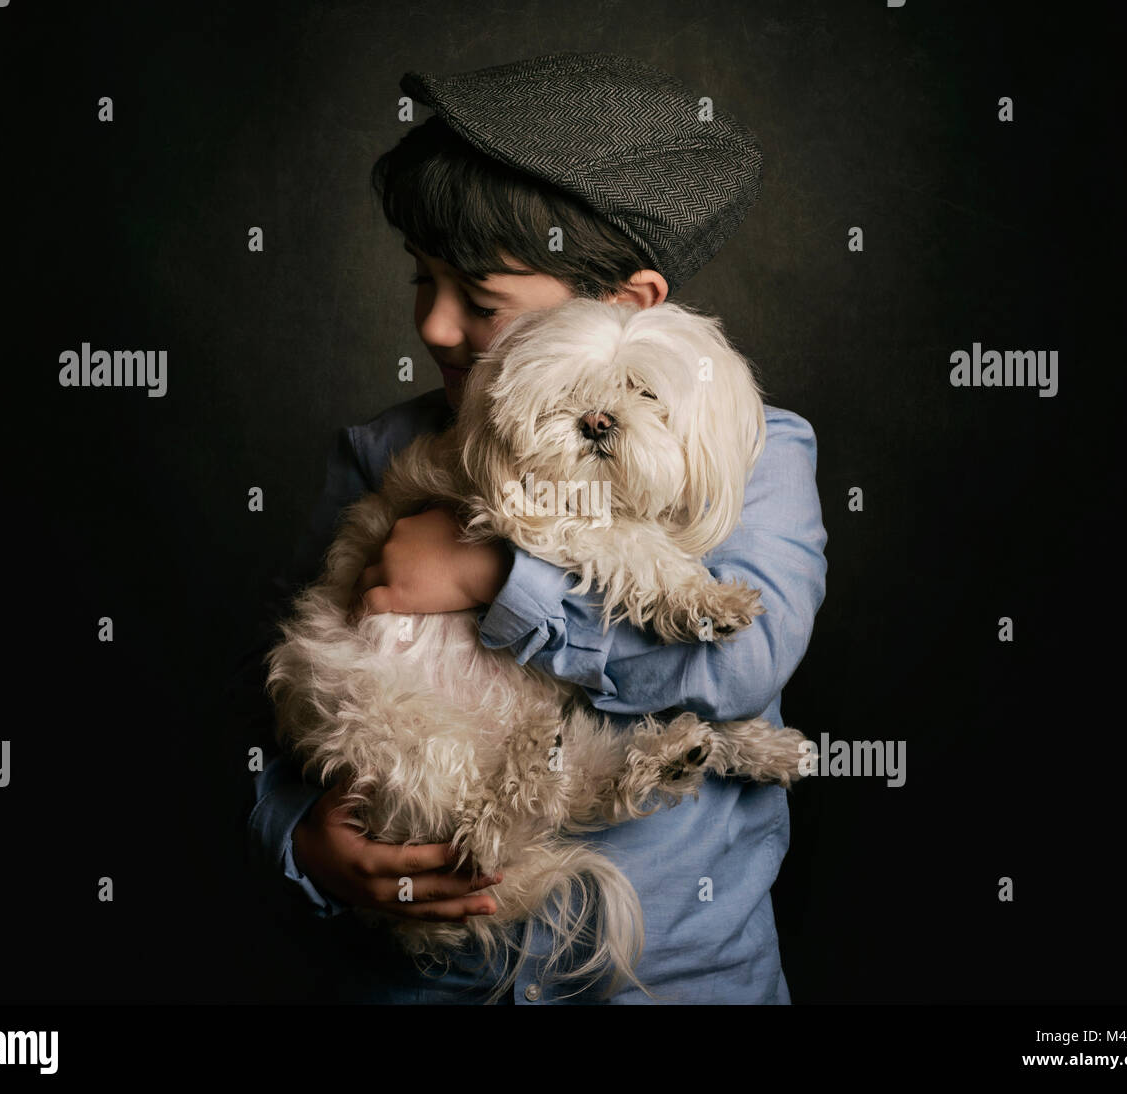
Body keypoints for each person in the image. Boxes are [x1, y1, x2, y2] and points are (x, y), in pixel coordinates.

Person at [235, 51, 828, 1004]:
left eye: (479, 301)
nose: (433, 326)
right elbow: (273, 720)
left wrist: (493, 576)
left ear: (623, 310)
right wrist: (303, 841)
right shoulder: (384, 450)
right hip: (424, 981)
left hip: (675, 981)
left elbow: (740, 666)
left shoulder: (754, 455)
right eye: (421, 284)